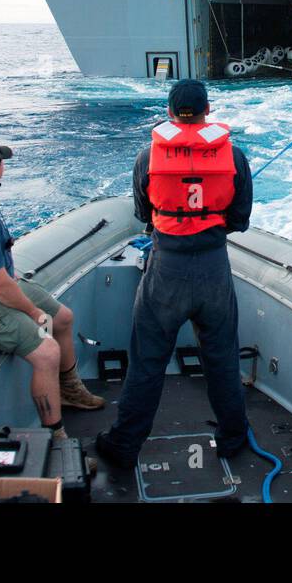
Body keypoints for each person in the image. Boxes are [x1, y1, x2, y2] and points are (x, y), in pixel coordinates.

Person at [96, 80, 253, 467]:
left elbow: (142, 213)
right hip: (214, 268)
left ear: (169, 112)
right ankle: (233, 439)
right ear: (208, 110)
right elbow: (240, 219)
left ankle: (124, 446)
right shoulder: (234, 156)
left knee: (148, 361)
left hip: (166, 269)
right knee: (221, 358)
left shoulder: (146, 157)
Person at [0, 138, 105, 439]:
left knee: (63, 318)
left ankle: (70, 391)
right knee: (46, 353)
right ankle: (56, 436)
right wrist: (33, 312)